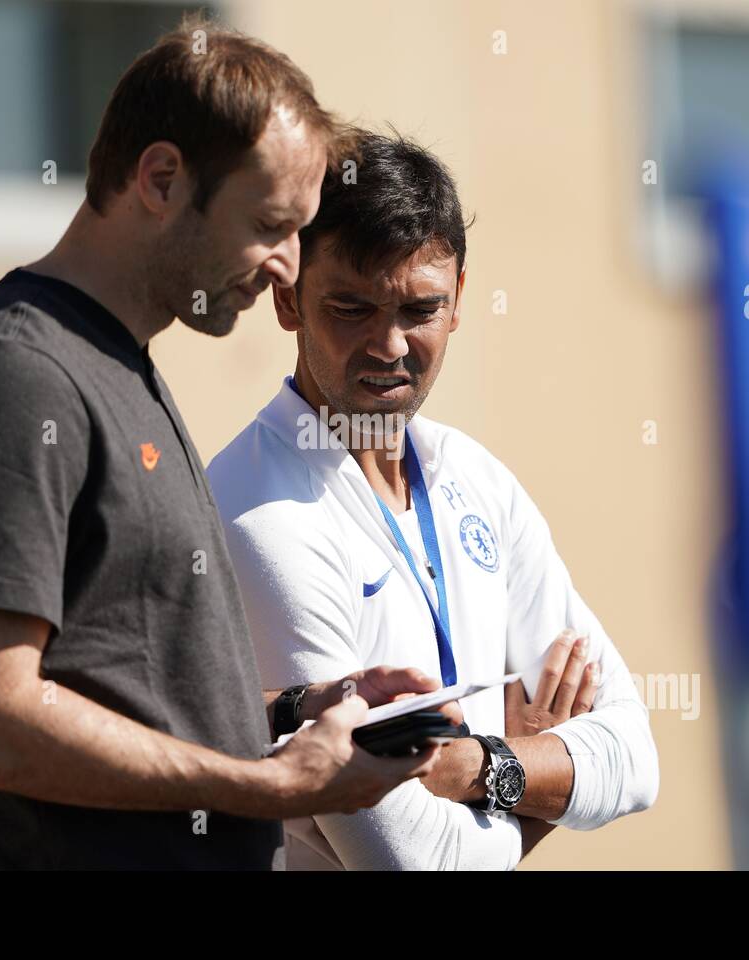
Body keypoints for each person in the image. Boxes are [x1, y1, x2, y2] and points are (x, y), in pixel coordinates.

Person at [0, 20, 449, 871]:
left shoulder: (118, 372)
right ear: (160, 179)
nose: (290, 268)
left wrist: (301, 711)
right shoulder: (12, 380)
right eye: (270, 224)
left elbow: (129, 696)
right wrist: (271, 788)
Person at [207, 130, 660, 869]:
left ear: (458, 303)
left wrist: (483, 766)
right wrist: (540, 778)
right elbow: (409, 862)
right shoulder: (261, 517)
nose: (389, 345)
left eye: (419, 309)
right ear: (287, 299)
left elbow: (637, 758)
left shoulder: (475, 476)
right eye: (350, 308)